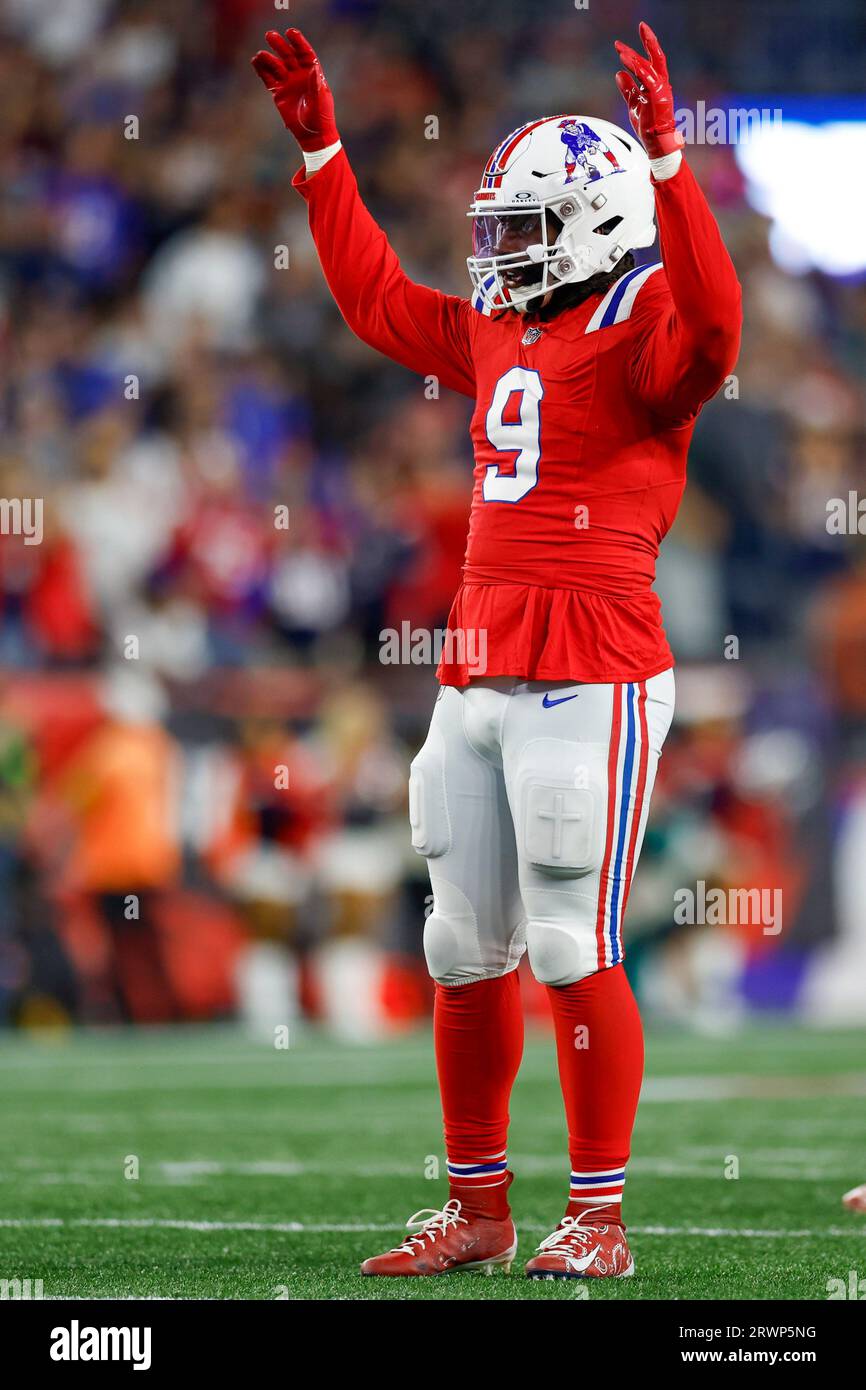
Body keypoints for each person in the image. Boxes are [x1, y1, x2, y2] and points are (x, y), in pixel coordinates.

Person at [252, 21, 741, 1280]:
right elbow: (373, 298)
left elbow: (718, 329)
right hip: (474, 664)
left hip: (594, 667)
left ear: (590, 223)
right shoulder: (494, 325)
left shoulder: (646, 332)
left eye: (522, 230)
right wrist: (320, 150)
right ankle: (477, 1207)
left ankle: (600, 1217)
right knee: (459, 947)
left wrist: (673, 166)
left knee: (574, 944)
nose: (498, 255)